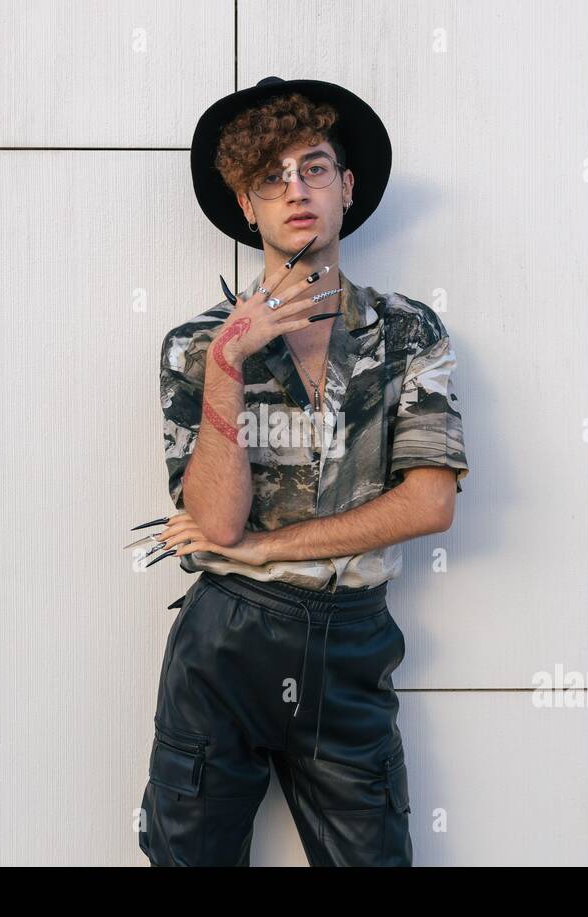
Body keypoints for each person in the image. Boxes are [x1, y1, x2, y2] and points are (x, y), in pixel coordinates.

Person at [134, 76, 470, 866]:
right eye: (270, 178)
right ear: (245, 206)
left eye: (313, 169)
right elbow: (216, 527)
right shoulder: (196, 345)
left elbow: (430, 503)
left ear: (346, 188)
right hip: (226, 645)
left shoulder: (407, 330)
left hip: (351, 646)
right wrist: (229, 362)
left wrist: (271, 544)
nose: (296, 191)